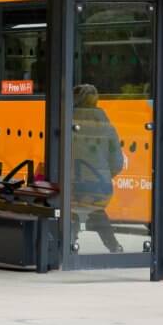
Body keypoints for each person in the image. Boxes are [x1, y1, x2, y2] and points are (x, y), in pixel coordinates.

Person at [70, 83, 126, 254]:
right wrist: (104, 176)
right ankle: (114, 246)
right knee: (96, 209)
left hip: (73, 186)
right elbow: (117, 161)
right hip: (101, 187)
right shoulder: (106, 125)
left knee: (69, 207)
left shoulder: (68, 120)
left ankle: (69, 245)